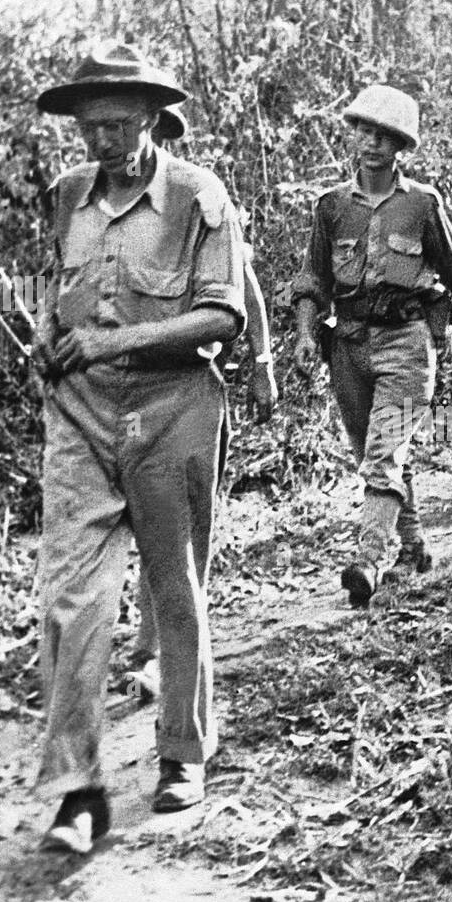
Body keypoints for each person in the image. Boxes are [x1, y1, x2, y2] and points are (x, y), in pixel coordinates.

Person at [32, 42, 248, 852]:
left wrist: (118, 345)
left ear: (154, 120)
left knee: (174, 585)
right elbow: (54, 298)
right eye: (90, 128)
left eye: (119, 125)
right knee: (72, 601)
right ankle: (77, 792)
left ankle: (182, 753)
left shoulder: (198, 196)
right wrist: (49, 346)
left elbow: (223, 317)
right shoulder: (66, 197)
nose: (103, 143)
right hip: (80, 421)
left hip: (173, 410)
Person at [290, 85, 452, 608]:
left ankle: (368, 559)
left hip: (406, 342)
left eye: (384, 136)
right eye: (364, 131)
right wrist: (301, 335)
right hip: (349, 345)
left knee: (382, 456)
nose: (371, 143)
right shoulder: (332, 207)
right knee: (376, 452)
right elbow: (313, 280)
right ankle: (414, 545)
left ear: (400, 145)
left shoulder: (423, 205)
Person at [126, 106, 278, 703]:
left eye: (154, 134)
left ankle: (167, 655)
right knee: (140, 524)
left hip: (190, 384)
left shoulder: (202, 202)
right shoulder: (99, 210)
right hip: (123, 394)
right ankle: (148, 645)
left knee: (184, 527)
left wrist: (263, 365)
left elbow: (247, 291)